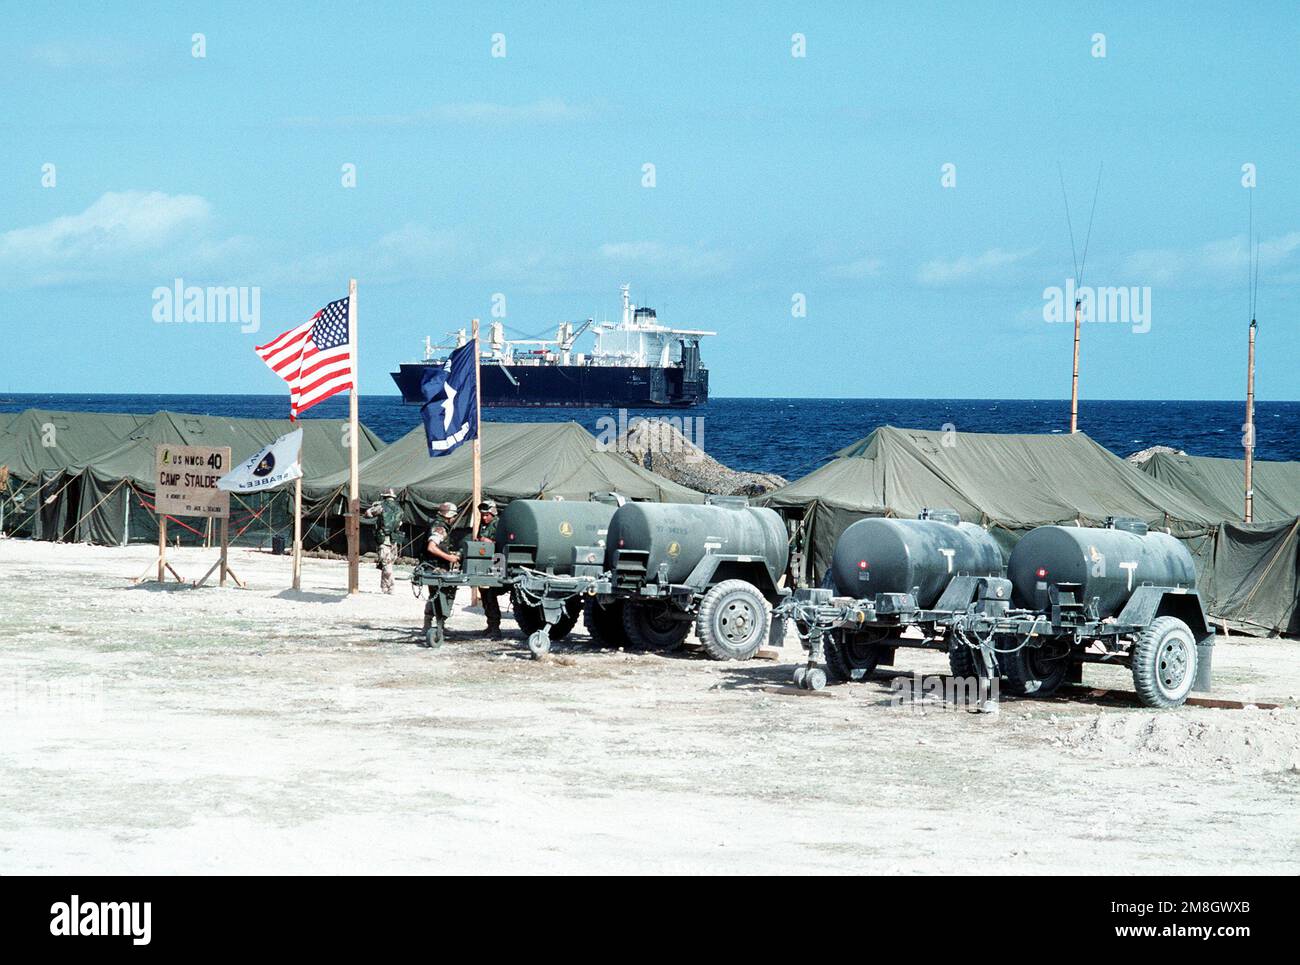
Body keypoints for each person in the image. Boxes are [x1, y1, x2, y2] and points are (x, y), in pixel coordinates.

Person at [423, 501, 462, 642]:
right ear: (450, 516)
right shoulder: (440, 527)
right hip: (436, 567)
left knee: (434, 596)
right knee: (442, 596)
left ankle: (431, 625)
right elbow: (432, 547)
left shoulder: (437, 524)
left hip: (432, 566)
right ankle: (437, 626)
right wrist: (449, 557)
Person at [363, 488, 404, 594]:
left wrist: (374, 507)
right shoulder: (399, 509)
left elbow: (368, 514)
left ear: (384, 496)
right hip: (394, 538)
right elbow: (400, 523)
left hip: (383, 538)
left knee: (386, 563)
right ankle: (384, 587)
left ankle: (391, 587)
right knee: (388, 563)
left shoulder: (381, 506)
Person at [476, 499, 503, 639]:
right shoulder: (484, 525)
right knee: (484, 594)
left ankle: (495, 627)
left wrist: (490, 542)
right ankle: (490, 624)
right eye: (482, 515)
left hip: (496, 561)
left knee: (491, 593)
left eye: (487, 515)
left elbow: (503, 544)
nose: (484, 517)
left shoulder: (499, 524)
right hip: (484, 562)